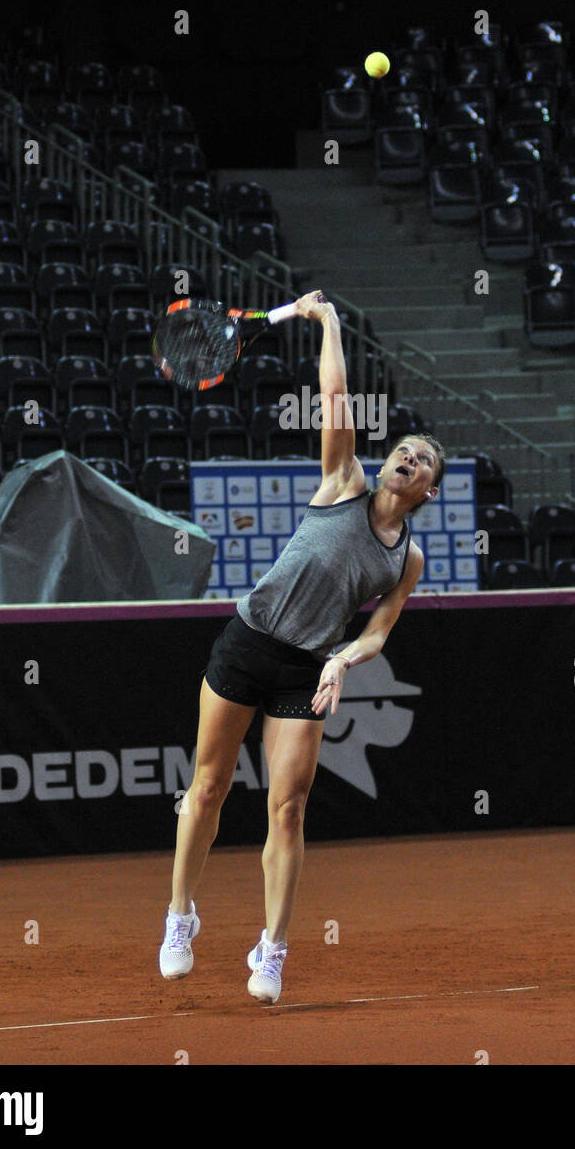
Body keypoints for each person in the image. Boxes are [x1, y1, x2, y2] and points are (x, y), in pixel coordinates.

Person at [158, 289, 445, 1002]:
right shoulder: (343, 479)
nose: (406, 459)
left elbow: (378, 629)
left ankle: (273, 948)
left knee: (287, 809)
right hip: (248, 642)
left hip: (306, 671)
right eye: (403, 451)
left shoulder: (406, 559)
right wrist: (331, 324)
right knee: (209, 788)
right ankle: (179, 916)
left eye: (420, 462)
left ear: (428, 492)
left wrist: (342, 660)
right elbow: (336, 394)